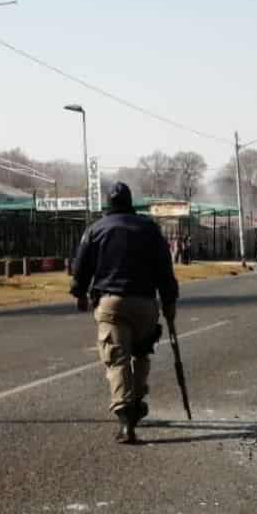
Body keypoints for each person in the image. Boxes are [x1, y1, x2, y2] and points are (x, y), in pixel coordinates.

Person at [71, 182, 180, 445]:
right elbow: (165, 269)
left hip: (111, 304)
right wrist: (169, 303)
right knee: (141, 353)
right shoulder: (149, 229)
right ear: (131, 202)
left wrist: (79, 293)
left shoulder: (95, 229)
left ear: (109, 203)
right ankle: (138, 399)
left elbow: (81, 266)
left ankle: (125, 420)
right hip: (145, 303)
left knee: (117, 359)